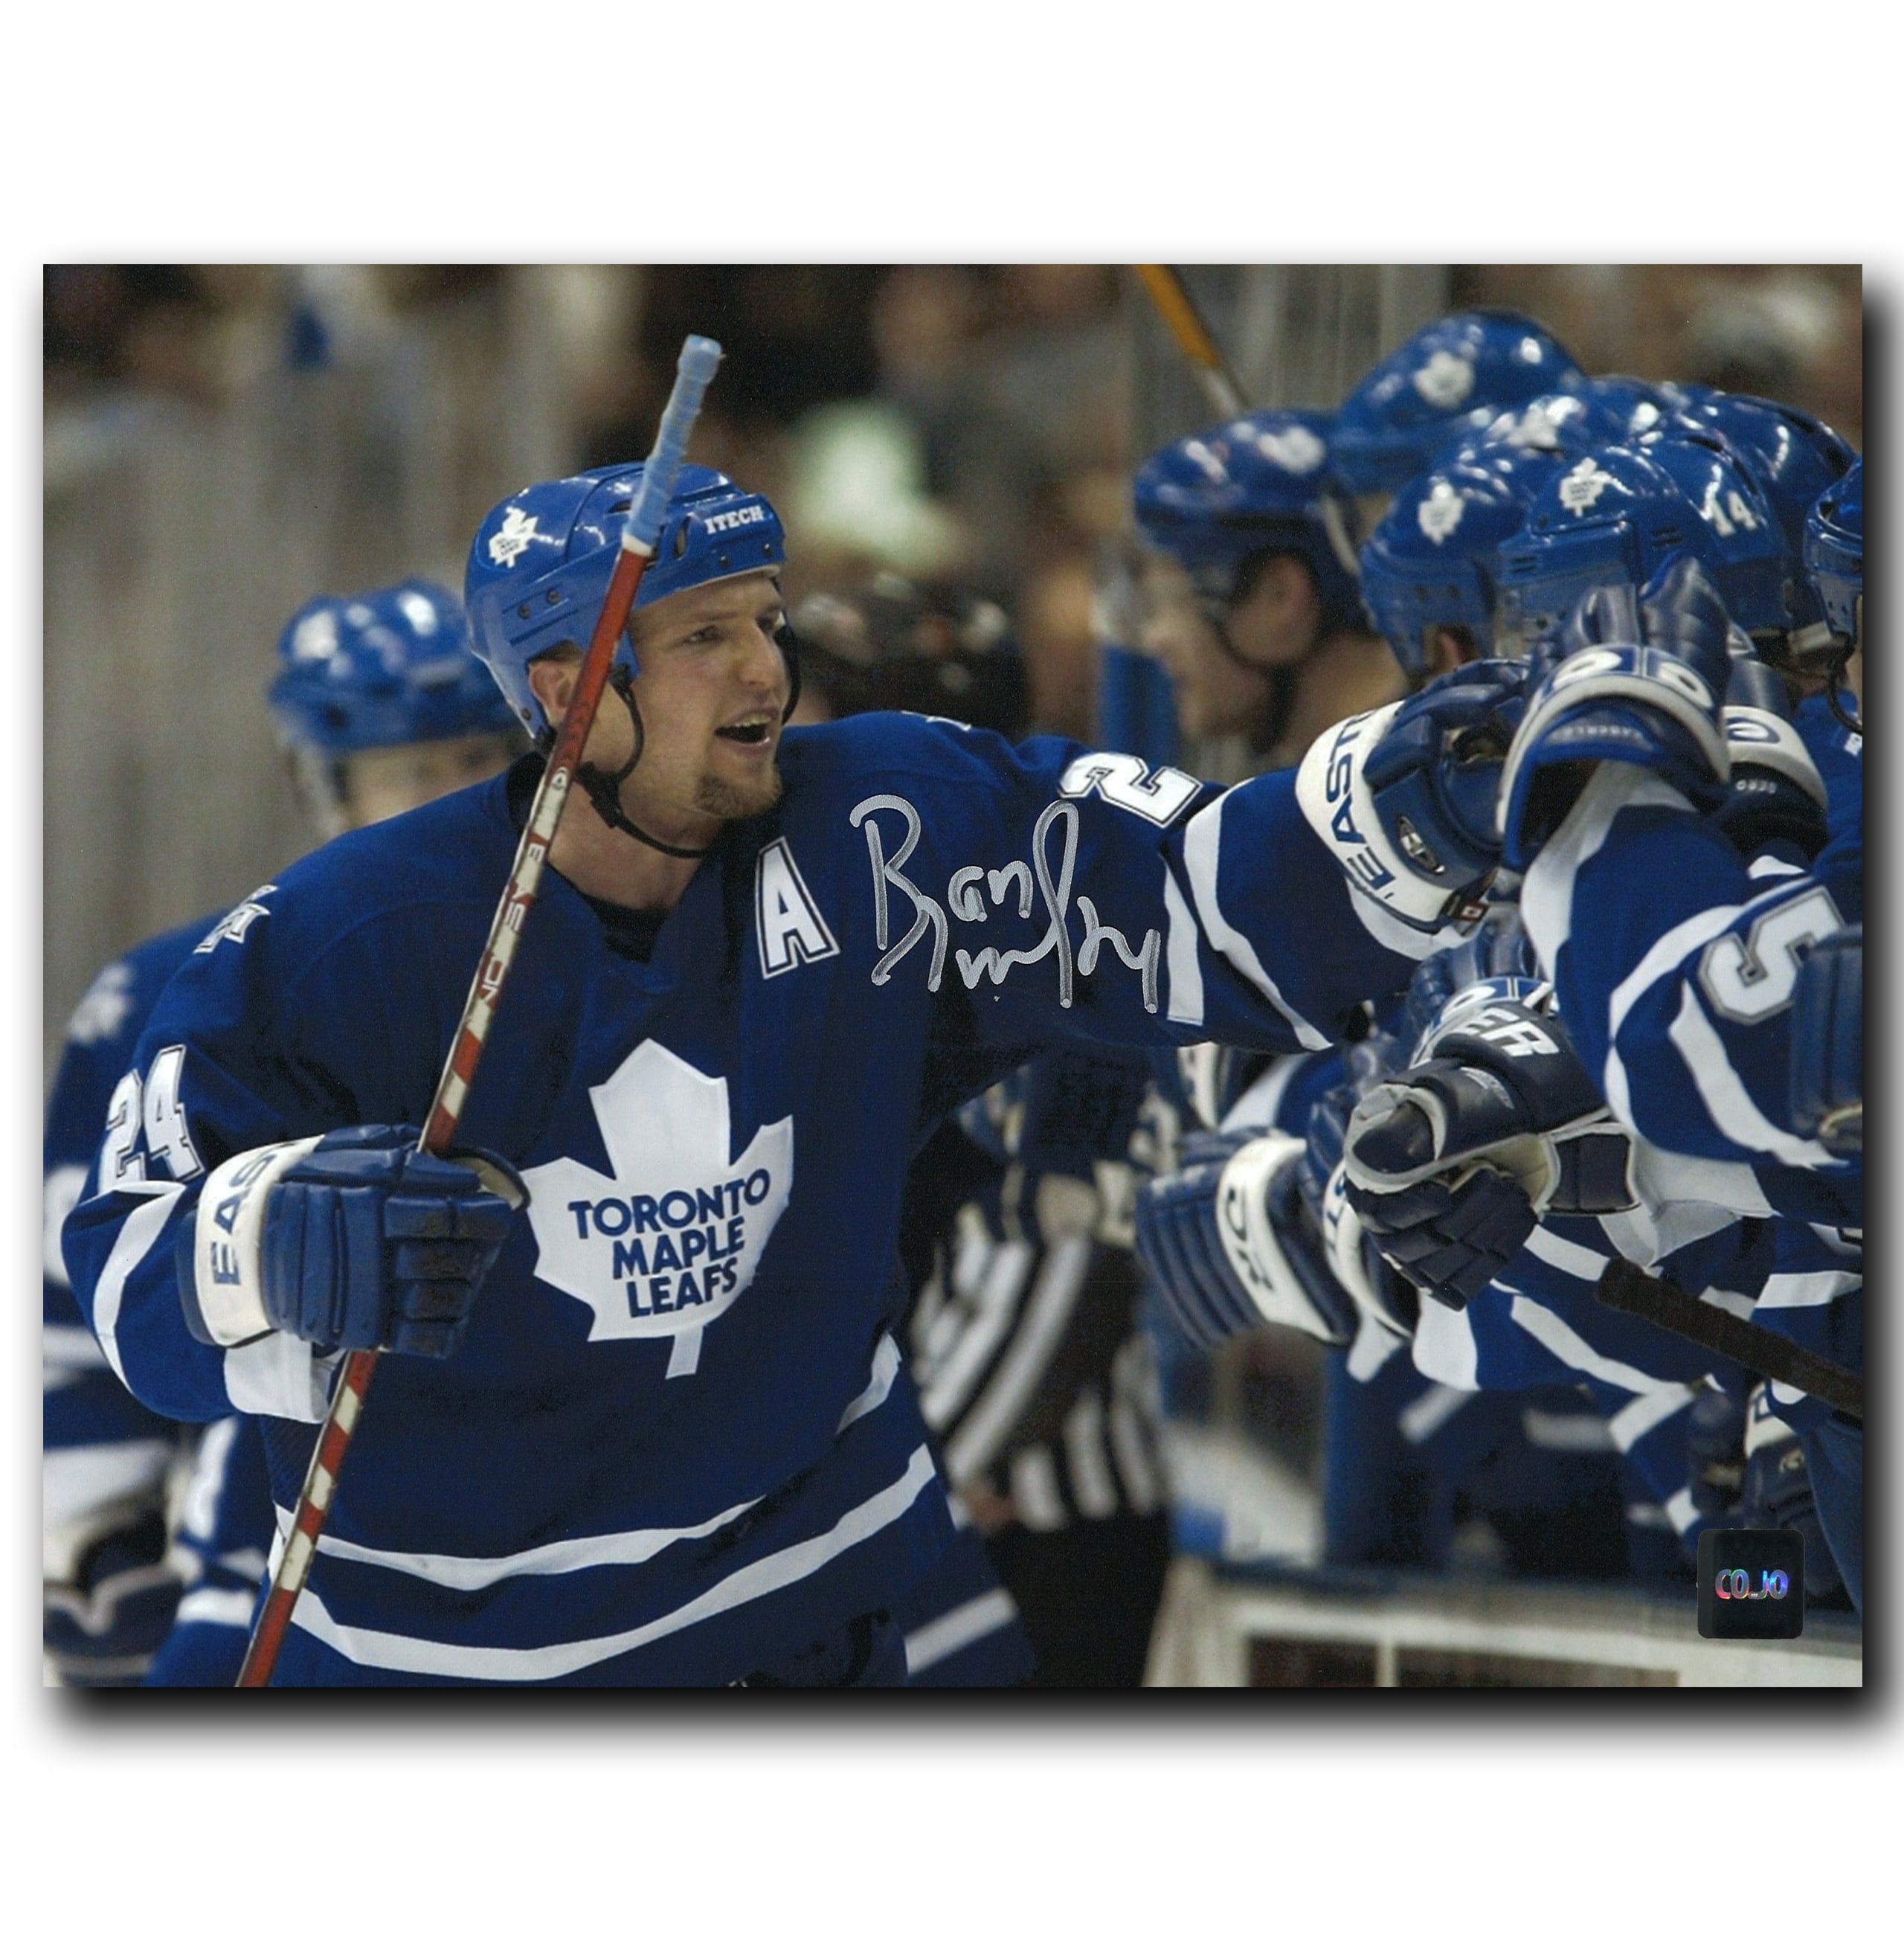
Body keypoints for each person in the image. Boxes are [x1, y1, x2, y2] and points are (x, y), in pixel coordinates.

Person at [63, 458, 1468, 1686]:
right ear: (569, 695)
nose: (763, 671)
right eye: (702, 637)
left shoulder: (882, 825)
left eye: (767, 624)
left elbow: (1195, 888)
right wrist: (263, 1238)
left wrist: (1418, 803)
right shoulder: (341, 938)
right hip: (455, 1666)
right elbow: (127, 1270)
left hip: (810, 1616)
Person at [45, 579, 524, 1685]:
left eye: (473, 760)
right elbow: (76, 1288)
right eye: (407, 773)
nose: (445, 801)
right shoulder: (187, 990)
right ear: (320, 785)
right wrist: (84, 1527)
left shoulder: (608, 959)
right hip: (287, 1527)